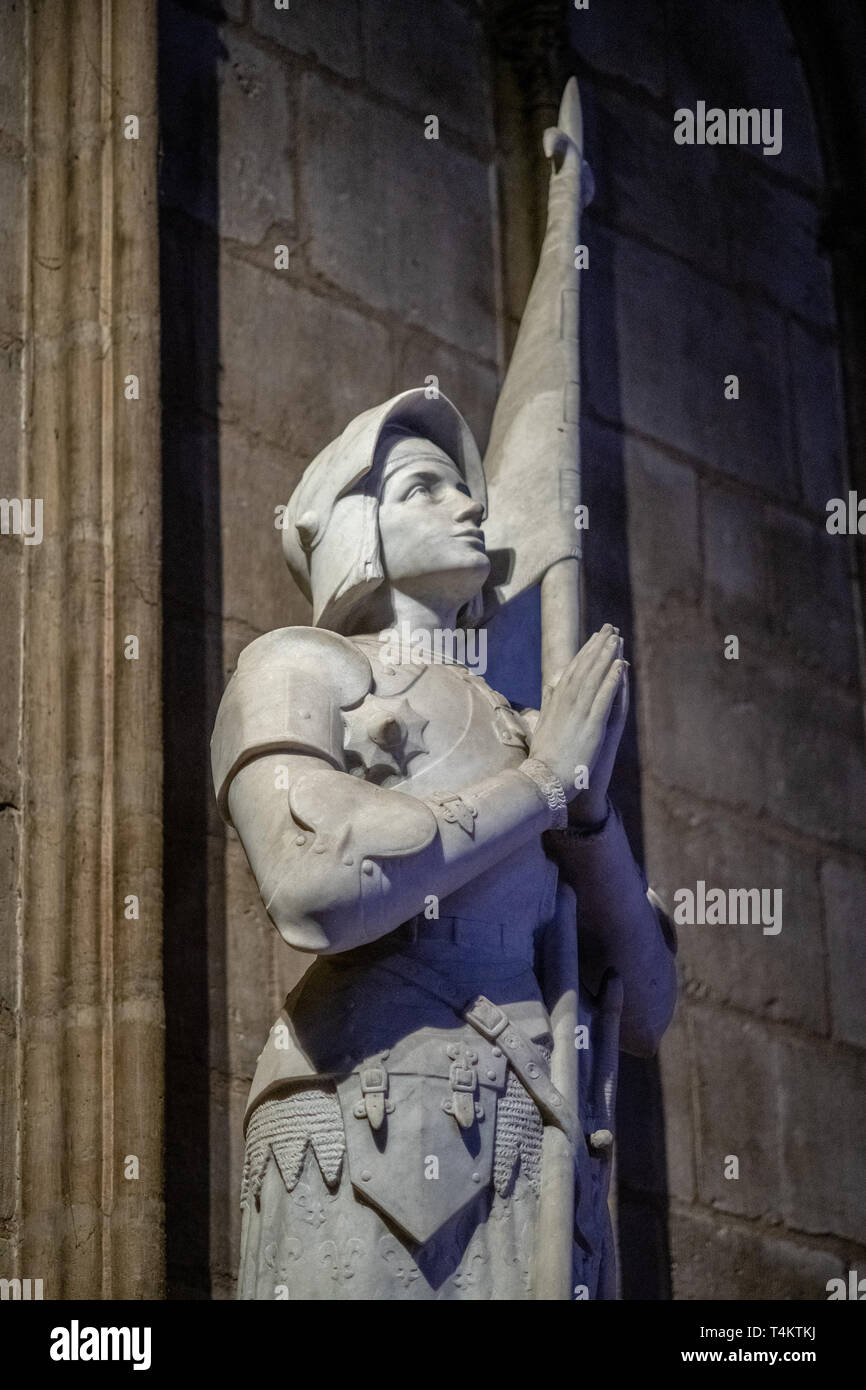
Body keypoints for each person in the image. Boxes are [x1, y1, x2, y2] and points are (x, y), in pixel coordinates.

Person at [211, 388, 677, 1300]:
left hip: (534, 1124)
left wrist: (585, 816)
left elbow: (645, 1004)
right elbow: (318, 887)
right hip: (366, 1107)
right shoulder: (297, 667)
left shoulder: (536, 729)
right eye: (424, 488)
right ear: (356, 529)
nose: (469, 506)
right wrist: (542, 787)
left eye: (465, 491)